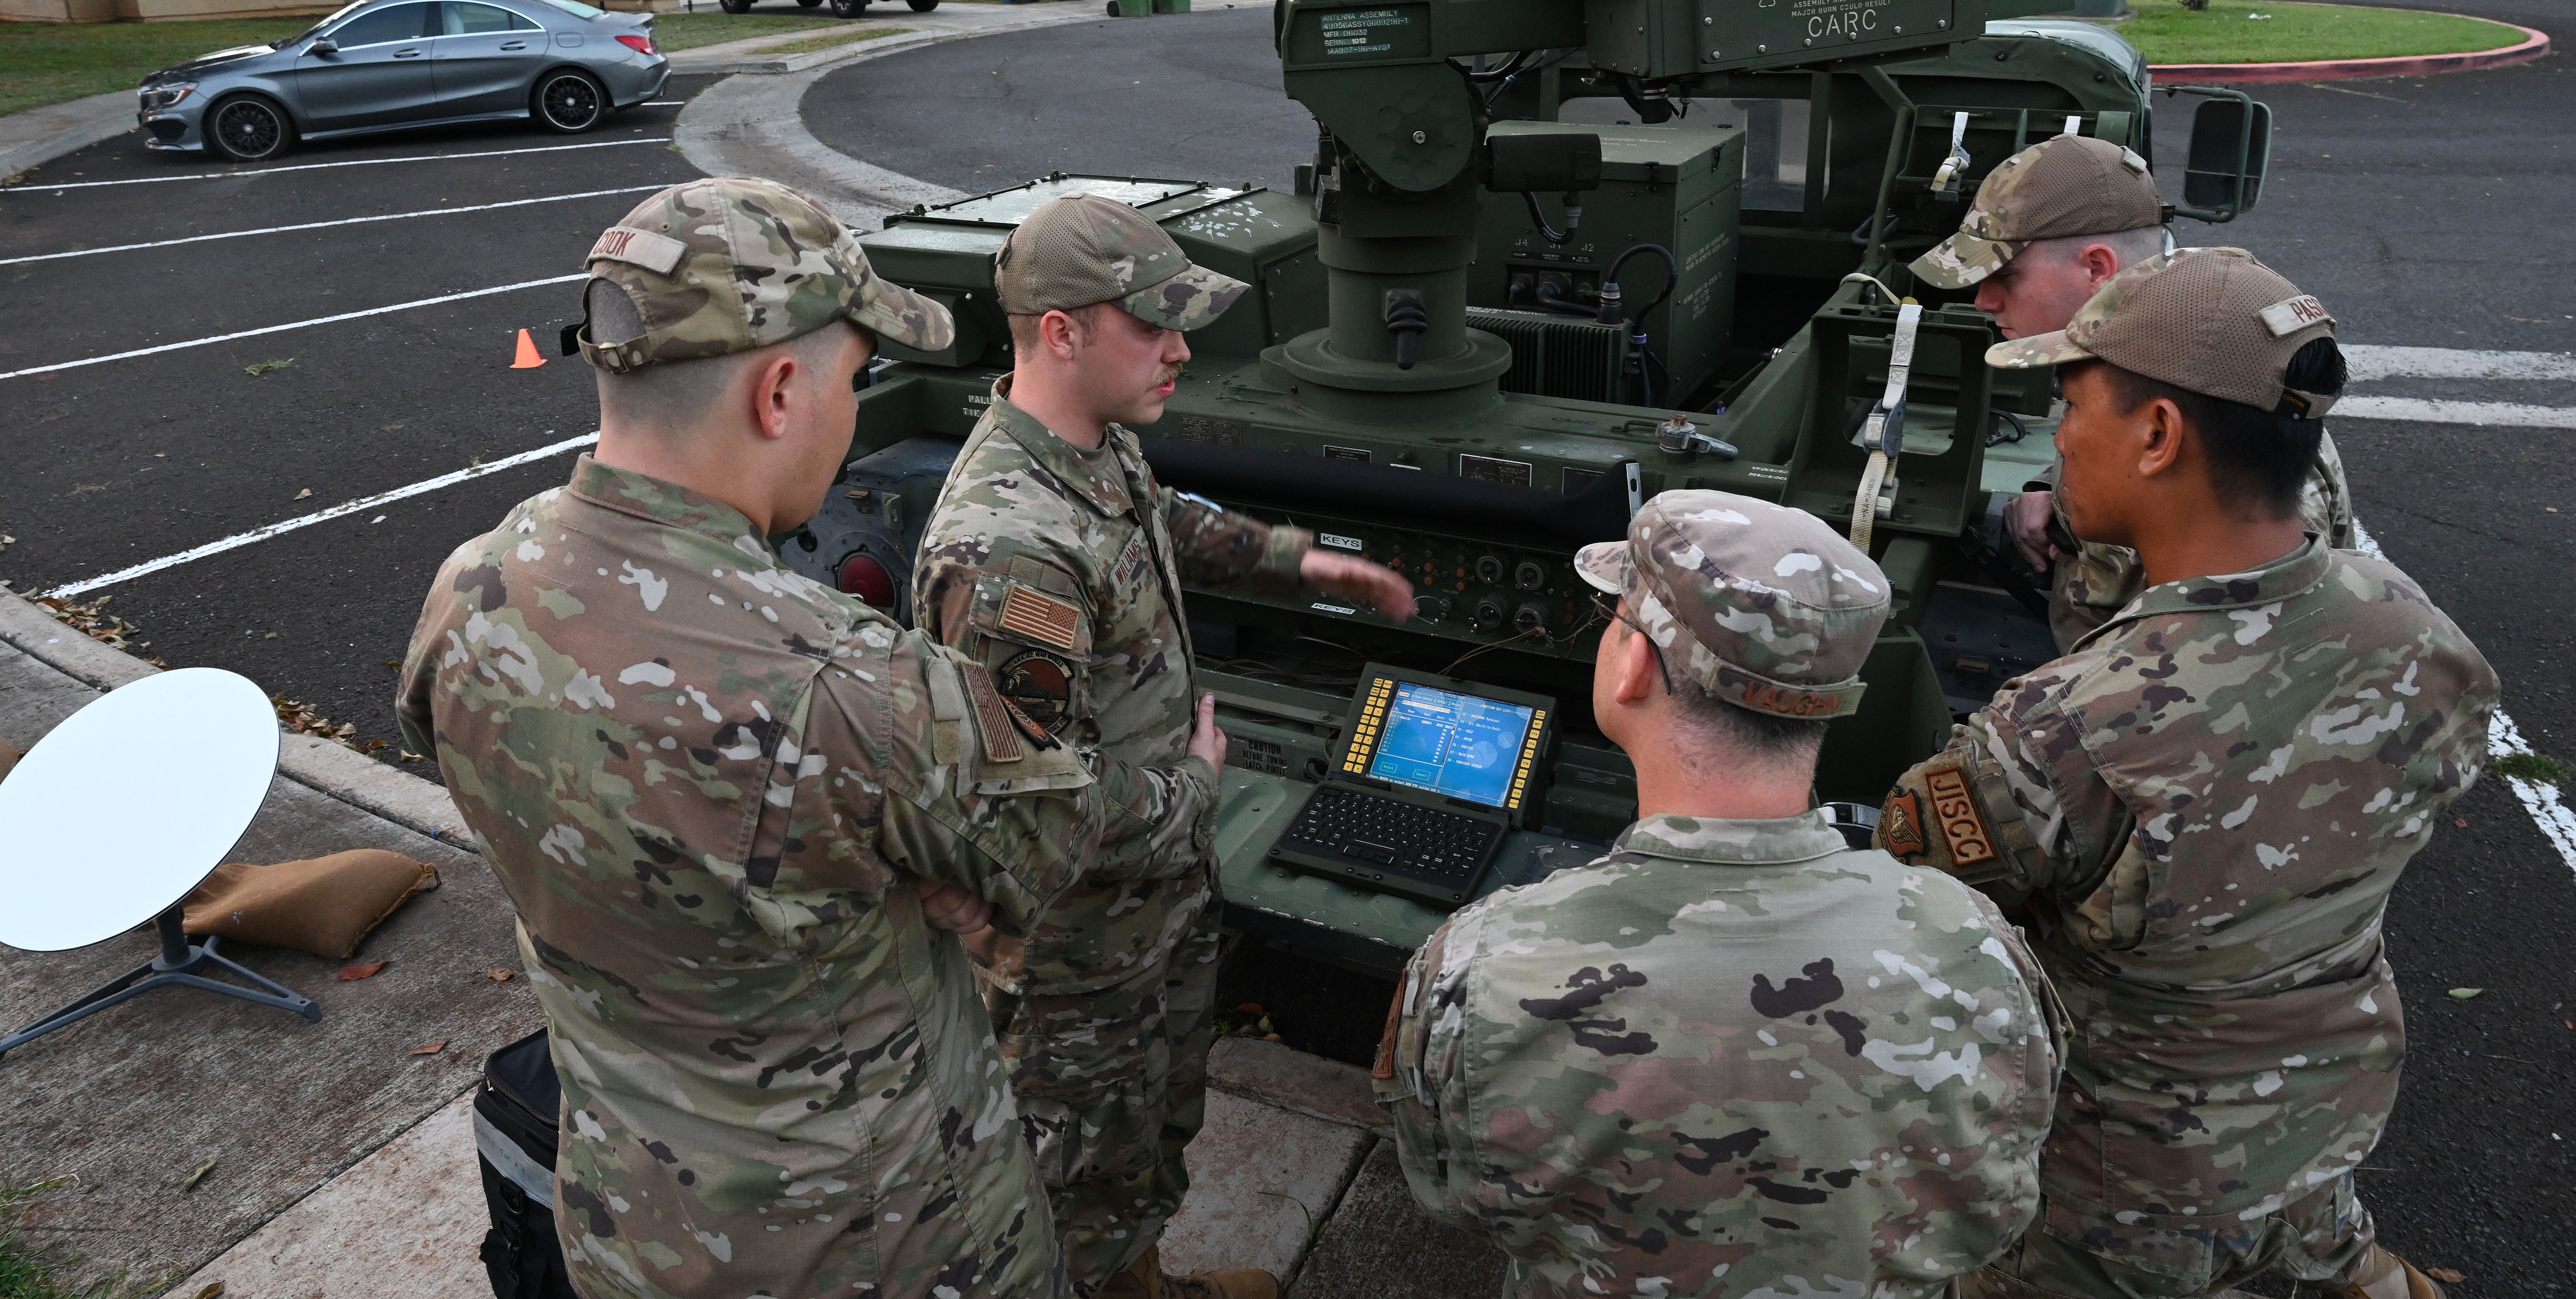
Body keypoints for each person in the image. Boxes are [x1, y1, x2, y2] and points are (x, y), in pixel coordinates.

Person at [400, 178, 1228, 1299]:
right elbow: (1061, 833)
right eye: (853, 376)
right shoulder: (854, 683)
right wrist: (1190, 782)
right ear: (782, 390)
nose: (849, 411)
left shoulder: (469, 590)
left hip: (633, 1224)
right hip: (878, 1244)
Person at [1878, 248, 2495, 1299]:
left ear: (2157, 434)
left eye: (2072, 405)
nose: (2059, 437)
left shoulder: (2060, 733)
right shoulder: (2417, 634)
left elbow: (1916, 900)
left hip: (2108, 1198)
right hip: (2314, 1120)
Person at [1375, 489, 2064, 1299]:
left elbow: (1446, 1189)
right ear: (1828, 698)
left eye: (1613, 616)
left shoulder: (1478, 968)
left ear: (1633, 664)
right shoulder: (1976, 947)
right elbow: (1997, 1207)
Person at [912, 194, 1415, 1299]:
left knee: (1142, 1145)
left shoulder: (1091, 450)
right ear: (1061, 331)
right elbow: (1032, 805)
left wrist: (1297, 562)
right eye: (1153, 323)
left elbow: (1163, 518)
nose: (1182, 347)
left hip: (1147, 909)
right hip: (1077, 955)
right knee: (1079, 1181)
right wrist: (1195, 785)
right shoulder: (1009, 553)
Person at [1909, 133, 2353, 648]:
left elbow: (2248, 653)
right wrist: (2051, 490)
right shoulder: (2149, 359)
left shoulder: (2213, 401)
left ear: (2096, 268)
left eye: (2005, 277)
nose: (1984, 302)